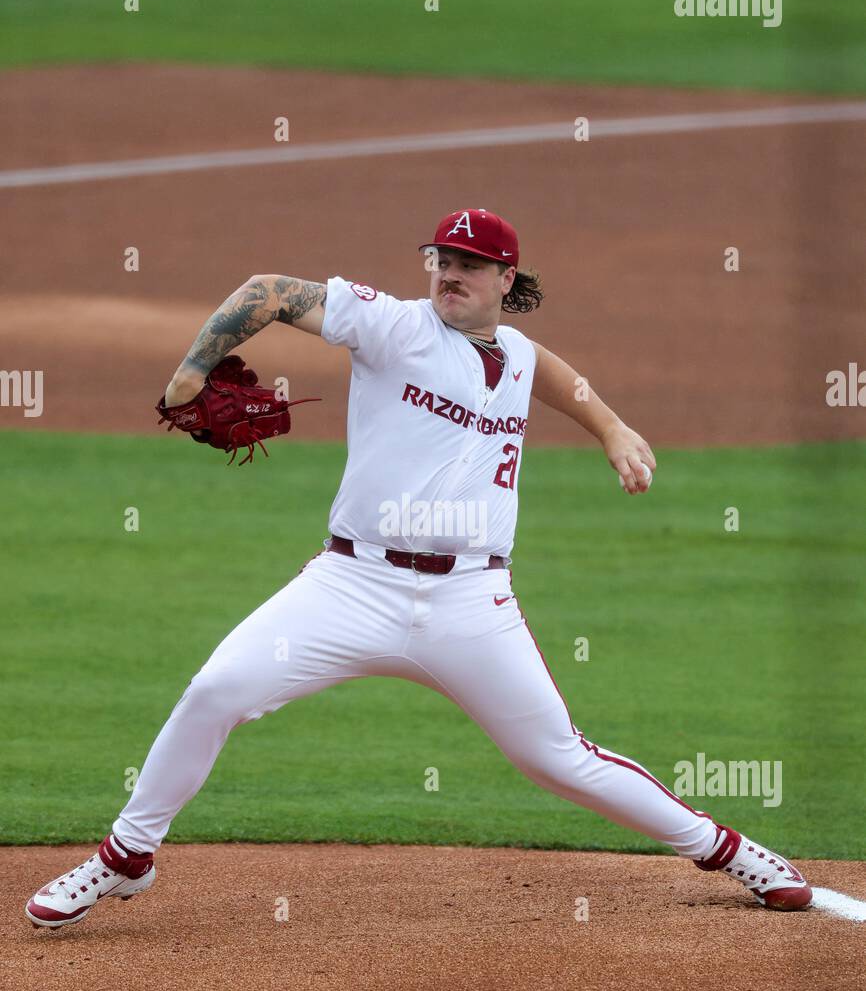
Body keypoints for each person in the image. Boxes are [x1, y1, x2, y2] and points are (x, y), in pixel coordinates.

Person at [25, 208, 811, 928]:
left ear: (507, 279)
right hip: (352, 587)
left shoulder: (519, 355)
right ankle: (125, 858)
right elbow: (265, 291)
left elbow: (555, 376)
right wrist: (196, 369)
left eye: (470, 264)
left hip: (472, 602)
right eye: (442, 259)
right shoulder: (393, 326)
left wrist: (612, 429)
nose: (450, 274)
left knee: (558, 758)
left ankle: (728, 850)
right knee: (216, 689)